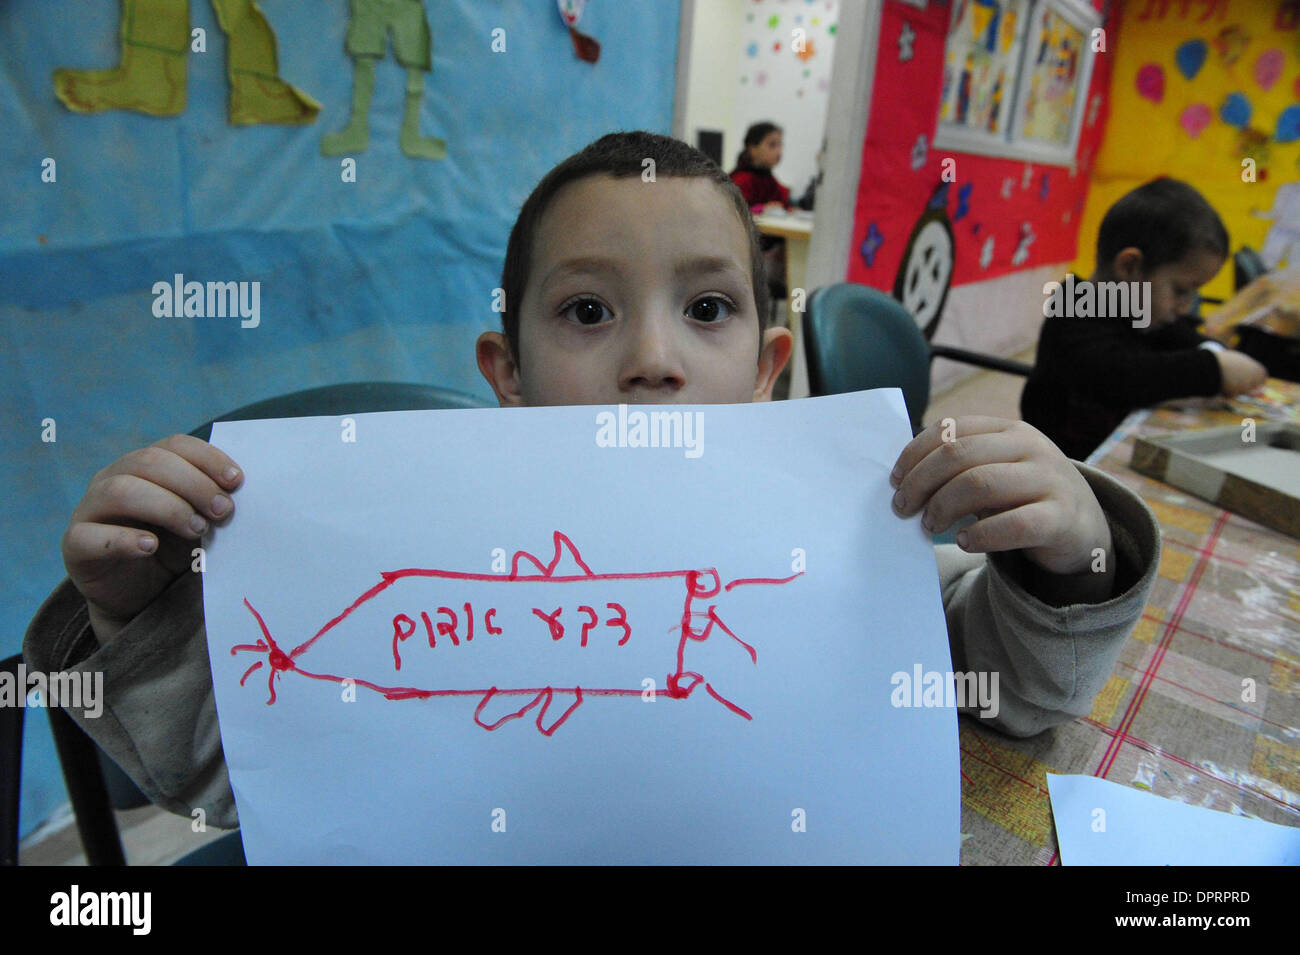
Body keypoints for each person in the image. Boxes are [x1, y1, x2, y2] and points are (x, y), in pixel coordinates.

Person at [26, 132, 1160, 832]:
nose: (652, 357)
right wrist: (139, 614)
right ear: (506, 374)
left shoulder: (851, 549)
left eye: (708, 308)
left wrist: (1065, 553)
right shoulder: (424, 565)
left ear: (769, 372)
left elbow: (1007, 704)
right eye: (586, 311)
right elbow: (238, 783)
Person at [1022, 177, 1268, 460]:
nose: (1185, 308)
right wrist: (1212, 368)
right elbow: (1121, 376)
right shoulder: (1073, 311)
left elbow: (1178, 334)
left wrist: (1214, 350)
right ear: (1129, 267)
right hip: (1060, 468)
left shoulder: (1138, 311)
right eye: (1180, 290)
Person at [730, 122, 791, 302]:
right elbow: (738, 207)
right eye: (772, 145)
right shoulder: (742, 178)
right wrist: (762, 209)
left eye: (780, 145)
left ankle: (795, 313)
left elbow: (781, 201)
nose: (779, 151)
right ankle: (796, 310)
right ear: (753, 148)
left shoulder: (769, 178)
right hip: (748, 252)